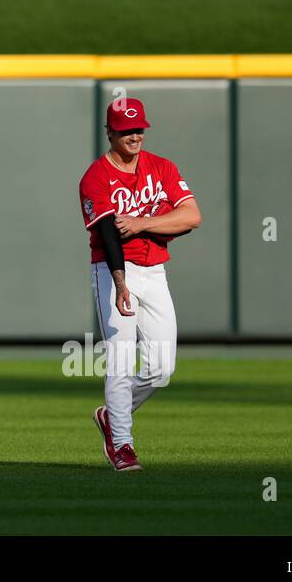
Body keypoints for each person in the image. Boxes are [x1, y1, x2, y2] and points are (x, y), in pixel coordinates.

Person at [78, 98, 201, 471]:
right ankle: (123, 445)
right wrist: (120, 283)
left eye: (139, 129)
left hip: (155, 271)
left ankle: (113, 416)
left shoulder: (161, 167)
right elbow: (108, 234)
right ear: (110, 132)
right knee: (119, 358)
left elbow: (191, 216)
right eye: (126, 129)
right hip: (113, 270)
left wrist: (142, 223)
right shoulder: (96, 177)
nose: (134, 135)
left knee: (162, 369)